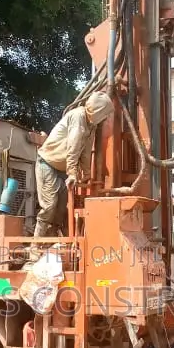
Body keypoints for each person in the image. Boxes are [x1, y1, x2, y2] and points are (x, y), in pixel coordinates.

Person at [33, 91, 115, 239]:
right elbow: (73, 146)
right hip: (48, 163)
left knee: (61, 209)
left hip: (62, 169)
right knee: (49, 206)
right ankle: (35, 245)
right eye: (105, 114)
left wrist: (87, 174)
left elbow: (85, 151)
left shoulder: (91, 126)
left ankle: (51, 242)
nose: (106, 118)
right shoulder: (78, 117)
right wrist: (72, 173)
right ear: (98, 111)